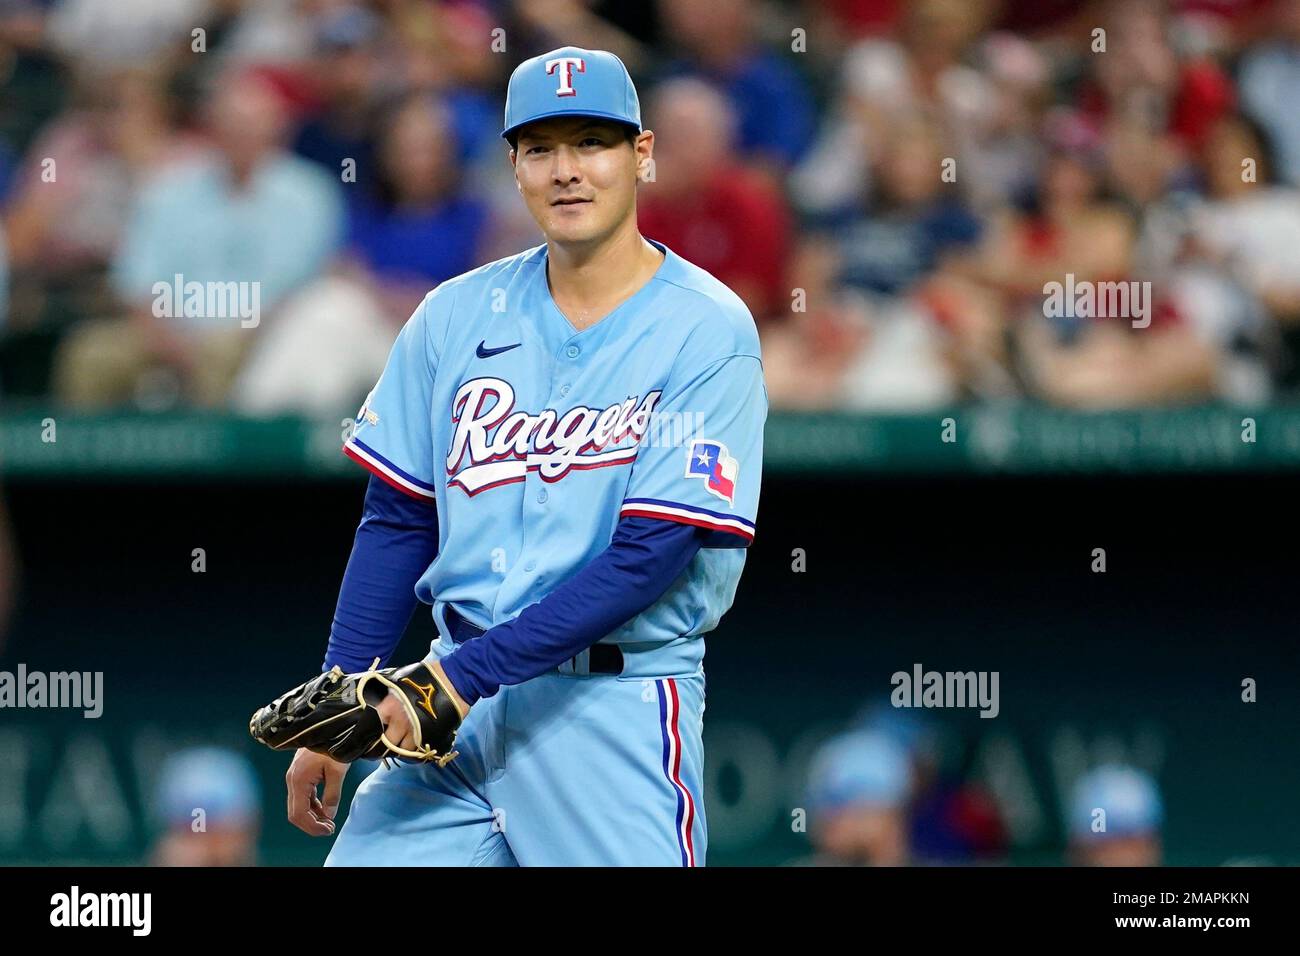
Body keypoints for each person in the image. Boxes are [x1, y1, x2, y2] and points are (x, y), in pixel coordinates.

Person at [283, 45, 767, 866]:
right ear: (513, 165)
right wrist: (338, 698)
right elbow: (398, 519)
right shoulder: (450, 315)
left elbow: (648, 557)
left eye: (593, 143)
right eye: (542, 148)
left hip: (608, 704)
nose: (567, 170)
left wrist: (461, 679)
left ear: (641, 155)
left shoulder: (706, 328)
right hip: (444, 707)